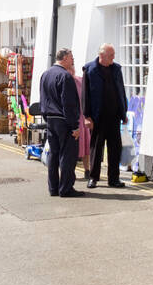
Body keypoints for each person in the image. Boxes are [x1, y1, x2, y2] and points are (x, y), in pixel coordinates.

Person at [82, 44, 128, 189]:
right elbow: (85, 95)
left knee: (115, 148)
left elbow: (121, 91)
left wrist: (123, 112)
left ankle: (114, 179)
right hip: (97, 117)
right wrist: (87, 116)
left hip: (114, 116)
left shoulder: (116, 69)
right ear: (102, 55)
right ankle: (93, 178)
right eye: (111, 55)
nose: (113, 58)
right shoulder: (89, 69)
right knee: (96, 148)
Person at [40, 48, 83, 197]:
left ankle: (53, 188)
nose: (72, 60)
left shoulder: (45, 74)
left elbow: (43, 99)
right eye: (71, 57)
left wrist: (46, 117)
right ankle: (65, 188)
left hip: (50, 120)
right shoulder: (65, 76)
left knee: (54, 154)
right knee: (68, 155)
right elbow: (69, 104)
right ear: (64, 58)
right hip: (64, 120)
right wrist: (75, 126)